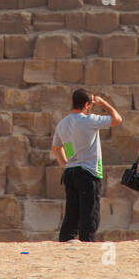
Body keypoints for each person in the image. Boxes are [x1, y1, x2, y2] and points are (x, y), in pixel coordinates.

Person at [51, 89, 121, 242]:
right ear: (86, 104)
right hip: (88, 173)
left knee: (71, 215)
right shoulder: (89, 121)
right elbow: (117, 119)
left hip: (71, 172)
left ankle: (64, 244)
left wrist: (67, 163)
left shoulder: (62, 124)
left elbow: (57, 148)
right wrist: (103, 103)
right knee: (89, 216)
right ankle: (87, 245)